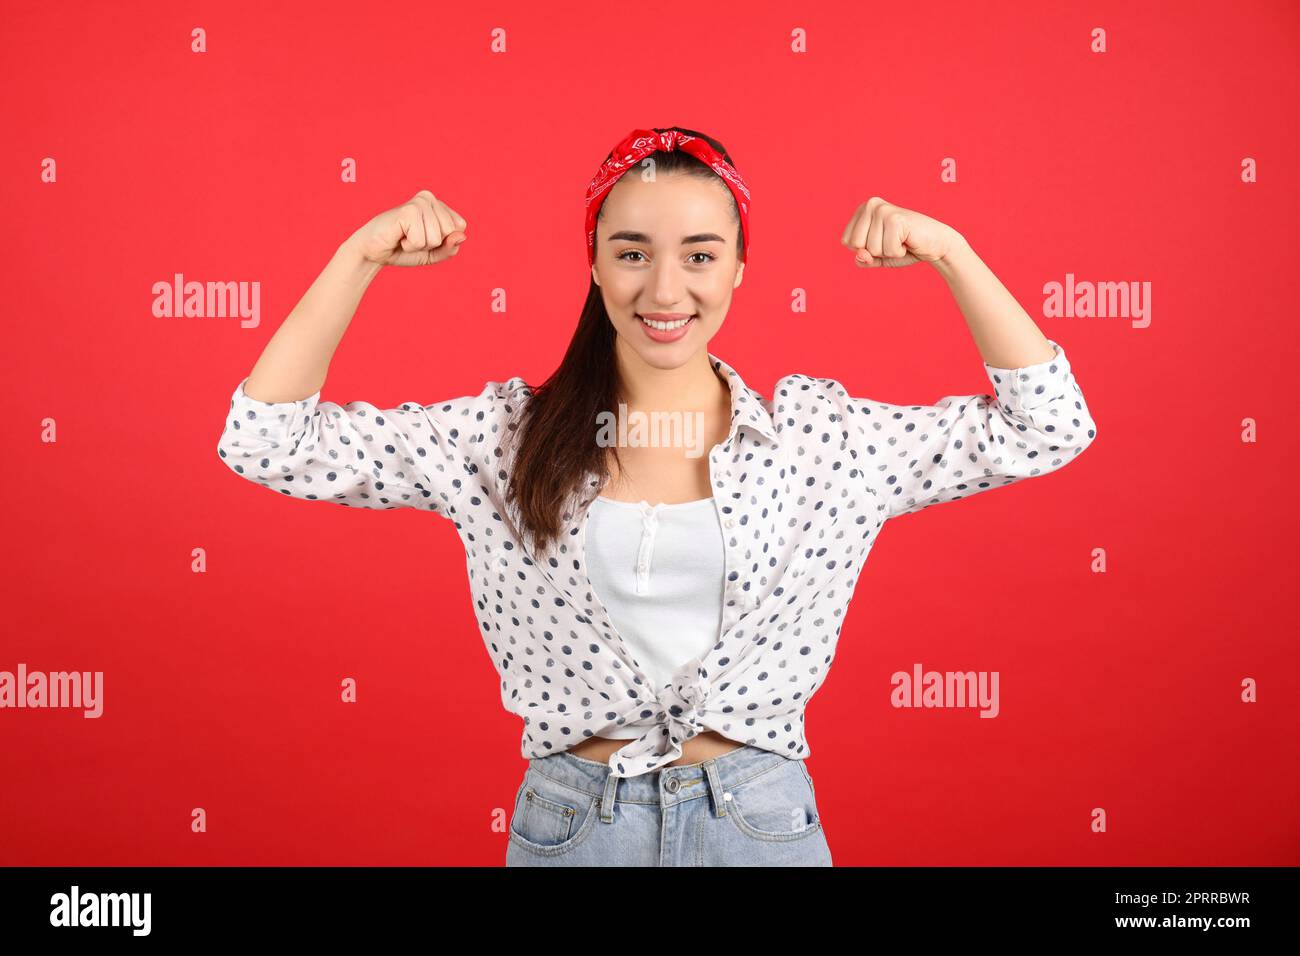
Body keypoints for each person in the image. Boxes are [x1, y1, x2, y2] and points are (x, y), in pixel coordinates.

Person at [216, 126, 1098, 866]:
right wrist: (357, 255)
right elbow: (267, 443)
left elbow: (1048, 425)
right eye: (631, 254)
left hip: (761, 827)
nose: (665, 290)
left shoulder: (823, 441)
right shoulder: (503, 438)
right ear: (595, 267)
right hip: (572, 828)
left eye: (700, 256)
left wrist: (952, 252)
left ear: (742, 268)